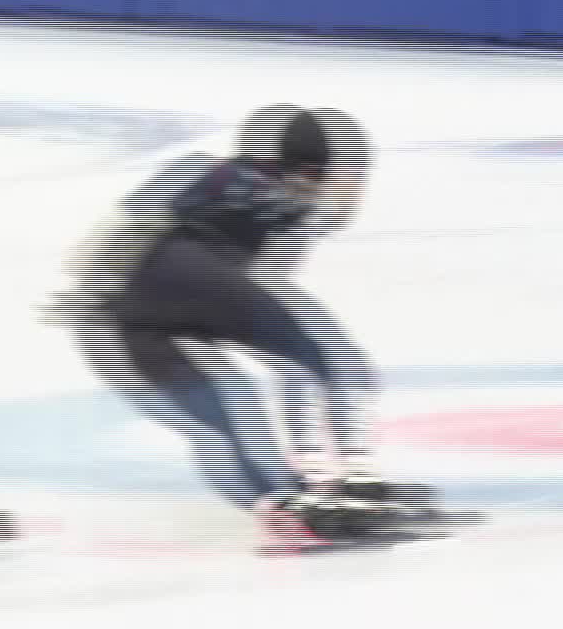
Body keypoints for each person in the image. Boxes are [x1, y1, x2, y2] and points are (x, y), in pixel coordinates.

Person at [45, 105, 425, 546]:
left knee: (236, 405)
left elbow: (124, 230)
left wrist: (93, 287)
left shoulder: (262, 192)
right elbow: (122, 230)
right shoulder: (232, 182)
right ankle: (327, 480)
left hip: (160, 300)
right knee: (311, 365)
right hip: (166, 287)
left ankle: (296, 492)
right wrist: (94, 285)